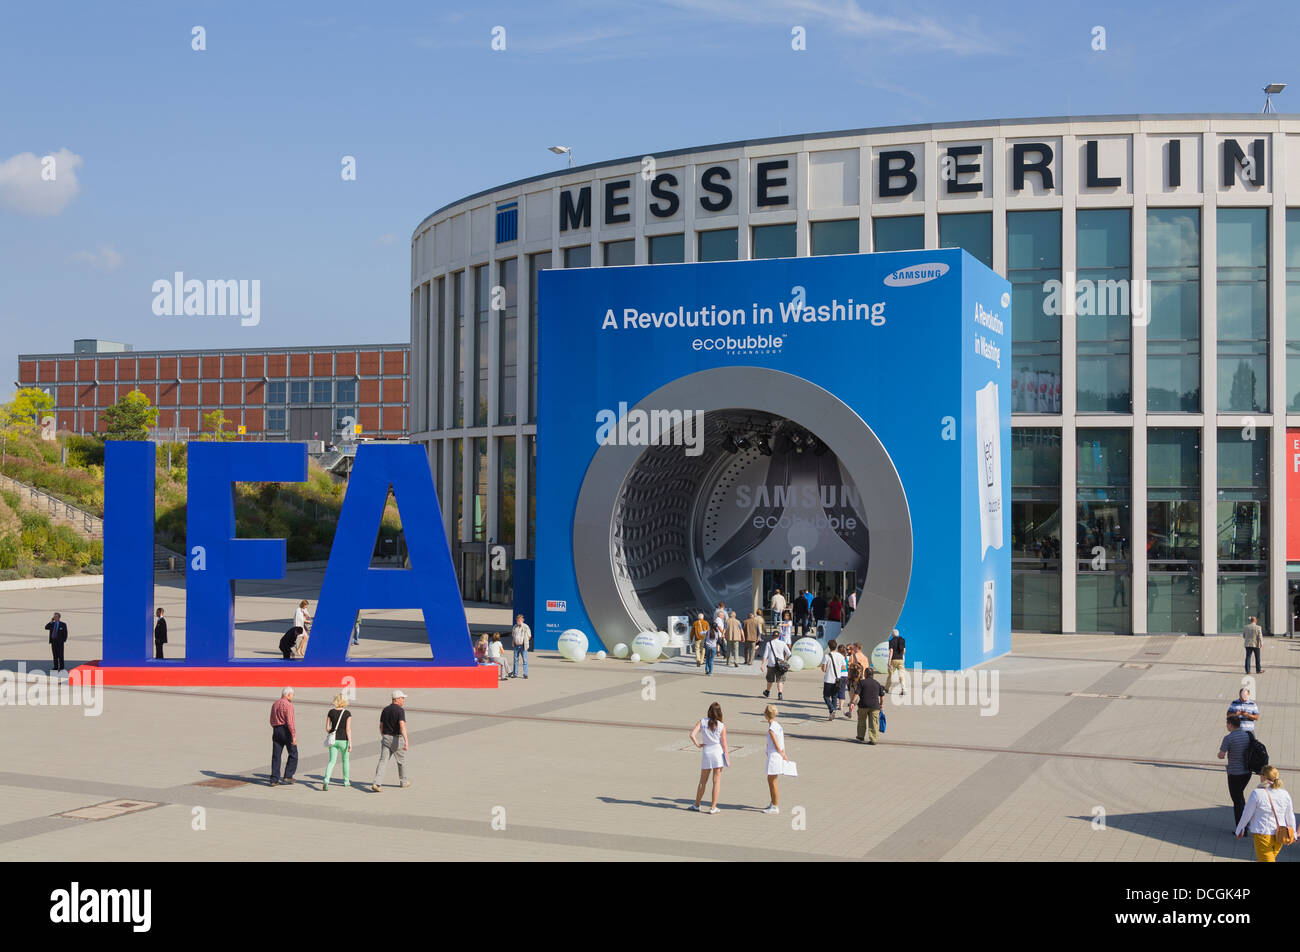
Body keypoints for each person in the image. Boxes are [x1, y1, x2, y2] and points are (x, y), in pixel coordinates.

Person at [1235, 766, 1296, 862]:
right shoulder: (1285, 794)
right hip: (1280, 835)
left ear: (1263, 777)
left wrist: (1240, 828)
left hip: (1262, 834)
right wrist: (1293, 833)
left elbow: (1247, 814)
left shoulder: (1257, 793)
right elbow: (1290, 816)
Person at [688, 702, 728, 813]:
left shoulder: (702, 721)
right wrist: (727, 757)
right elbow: (724, 743)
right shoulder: (721, 725)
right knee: (716, 781)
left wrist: (698, 744)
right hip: (718, 753)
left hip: (707, 752)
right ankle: (713, 807)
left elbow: (692, 734)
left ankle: (697, 804)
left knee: (703, 781)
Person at [1217, 714, 1253, 828]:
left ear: (1230, 725)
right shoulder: (1247, 735)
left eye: (1227, 724)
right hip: (1247, 772)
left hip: (1234, 773)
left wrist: (1220, 754)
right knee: (1240, 797)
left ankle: (1241, 827)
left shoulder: (1228, 738)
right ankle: (1245, 823)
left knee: (1237, 800)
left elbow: (1221, 755)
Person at [371, 690, 411, 792]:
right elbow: (402, 725)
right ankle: (404, 781)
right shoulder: (400, 710)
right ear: (397, 699)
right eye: (402, 698)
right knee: (401, 761)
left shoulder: (385, 709)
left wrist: (384, 736)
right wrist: (406, 740)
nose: (403, 700)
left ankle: (377, 783)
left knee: (383, 761)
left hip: (386, 737)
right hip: (396, 739)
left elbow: (380, 725)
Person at [322, 694, 353, 791]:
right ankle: (346, 781)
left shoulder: (331, 712)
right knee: (345, 761)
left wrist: (331, 733)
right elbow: (348, 729)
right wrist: (350, 742)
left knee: (332, 761)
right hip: (344, 740)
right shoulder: (347, 713)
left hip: (333, 740)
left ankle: (326, 779)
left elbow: (327, 728)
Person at [269, 687, 297, 786]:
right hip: (286, 730)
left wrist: (276, 728)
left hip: (276, 729)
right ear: (288, 694)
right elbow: (290, 722)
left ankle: (274, 779)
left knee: (276, 756)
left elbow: (271, 719)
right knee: (293, 754)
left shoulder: (275, 704)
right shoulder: (289, 705)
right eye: (292, 694)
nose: (293, 696)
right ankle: (288, 776)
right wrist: (293, 735)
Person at [762, 704, 787, 815]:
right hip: (777, 755)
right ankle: (773, 803)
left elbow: (776, 744)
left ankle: (775, 806)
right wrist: (784, 753)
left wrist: (782, 754)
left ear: (767, 715)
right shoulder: (777, 725)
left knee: (772, 782)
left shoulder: (772, 728)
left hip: (774, 757)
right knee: (771, 780)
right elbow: (781, 742)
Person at [855, 668, 884, 744]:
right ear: (873, 675)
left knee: (861, 720)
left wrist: (852, 702)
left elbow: (856, 693)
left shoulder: (862, 682)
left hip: (863, 705)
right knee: (874, 723)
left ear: (865, 674)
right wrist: (881, 704)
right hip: (875, 706)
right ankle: (873, 739)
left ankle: (861, 736)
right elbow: (882, 695)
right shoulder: (877, 683)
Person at [761, 633, 790, 701]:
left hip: (771, 664)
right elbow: (789, 653)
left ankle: (767, 692)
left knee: (770, 680)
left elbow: (765, 655)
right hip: (780, 665)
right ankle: (780, 694)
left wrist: (762, 664)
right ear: (779, 636)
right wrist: (784, 660)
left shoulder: (769, 643)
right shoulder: (783, 643)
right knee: (780, 680)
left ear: (772, 636)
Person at [821, 639, 845, 719]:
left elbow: (824, 669)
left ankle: (832, 710)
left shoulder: (827, 656)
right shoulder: (841, 656)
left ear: (829, 646)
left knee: (826, 696)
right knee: (834, 696)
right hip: (837, 679)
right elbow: (843, 667)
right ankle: (833, 711)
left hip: (828, 679)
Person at [886, 628, 907, 695]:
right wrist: (901, 656)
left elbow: (891, 651)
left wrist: (889, 661)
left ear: (892, 634)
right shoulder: (902, 640)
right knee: (902, 676)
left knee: (890, 675)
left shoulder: (891, 641)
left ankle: (886, 689)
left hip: (893, 660)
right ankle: (904, 689)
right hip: (901, 660)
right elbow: (904, 651)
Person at [511, 613, 531, 679]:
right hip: (516, 646)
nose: (518, 621)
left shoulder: (526, 627)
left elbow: (529, 636)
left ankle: (525, 674)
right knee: (515, 660)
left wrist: (525, 641)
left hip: (523, 646)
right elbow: (513, 635)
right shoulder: (514, 627)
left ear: (522, 620)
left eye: (519, 620)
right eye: (517, 620)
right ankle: (515, 674)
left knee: (525, 660)